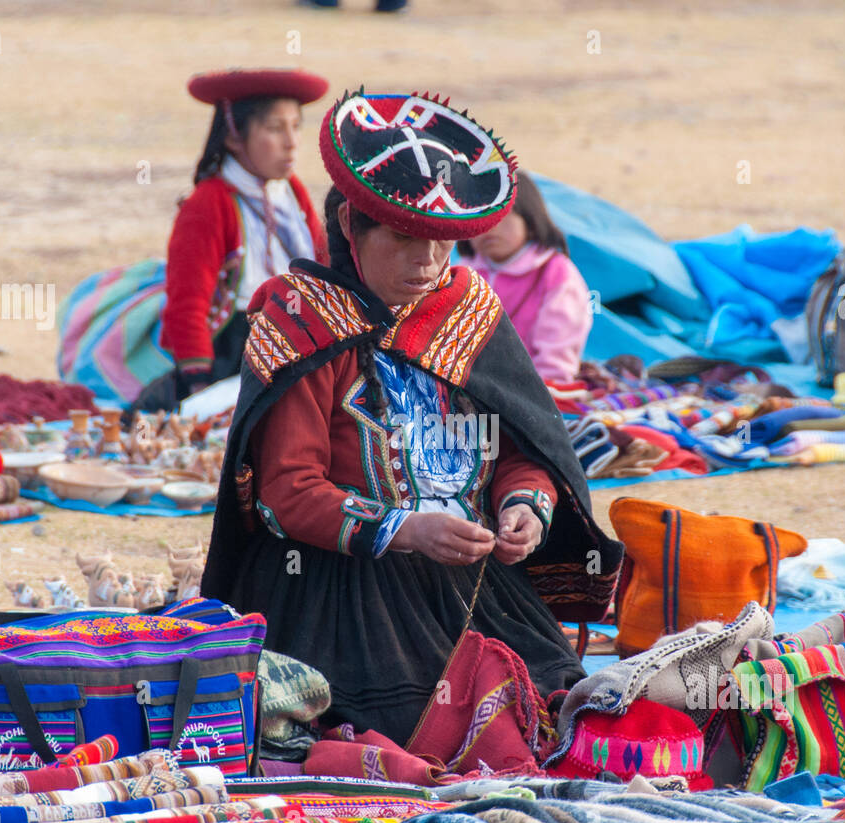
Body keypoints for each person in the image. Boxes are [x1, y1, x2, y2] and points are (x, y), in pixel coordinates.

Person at [200, 91, 622, 746]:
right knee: (411, 731)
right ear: (352, 228)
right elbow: (285, 494)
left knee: (560, 710)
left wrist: (524, 508)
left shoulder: (466, 311)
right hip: (338, 590)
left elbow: (521, 447)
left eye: (445, 245)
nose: (427, 264)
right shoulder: (303, 320)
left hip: (472, 584)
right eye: (403, 240)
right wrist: (405, 528)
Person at [57, 68, 329, 410]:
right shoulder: (209, 203)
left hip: (293, 339)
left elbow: (323, 267)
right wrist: (198, 381)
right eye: (275, 128)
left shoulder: (290, 192)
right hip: (234, 352)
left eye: (295, 126)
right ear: (233, 137)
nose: (292, 141)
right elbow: (188, 301)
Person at [456, 172, 593, 382]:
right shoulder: (461, 273)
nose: (490, 227)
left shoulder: (556, 274)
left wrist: (543, 395)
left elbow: (556, 355)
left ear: (530, 219)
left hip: (534, 388)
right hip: (470, 386)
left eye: (500, 216)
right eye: (479, 217)